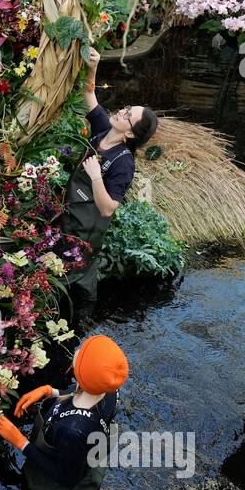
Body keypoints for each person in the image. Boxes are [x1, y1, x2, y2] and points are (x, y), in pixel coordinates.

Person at [57, 47, 158, 308]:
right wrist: (94, 65)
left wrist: (95, 177)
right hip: (68, 212)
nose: (121, 113)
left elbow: (107, 208)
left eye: (128, 117)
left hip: (85, 229)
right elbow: (89, 93)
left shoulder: (124, 162)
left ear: (132, 134)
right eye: (126, 109)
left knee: (70, 278)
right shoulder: (103, 129)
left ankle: (77, 314)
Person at [0, 334, 129, 490]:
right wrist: (50, 391)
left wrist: (19, 441)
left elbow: (66, 478)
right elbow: (79, 392)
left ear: (84, 375)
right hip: (81, 452)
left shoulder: (72, 430)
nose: (77, 351)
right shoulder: (108, 389)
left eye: (82, 354)